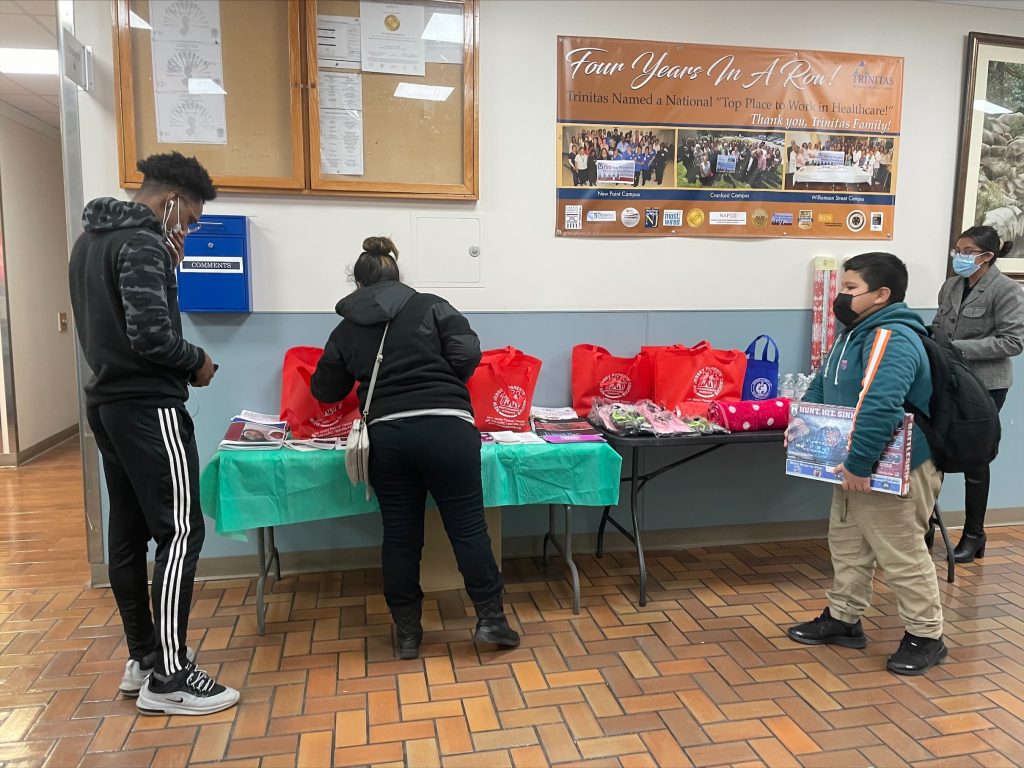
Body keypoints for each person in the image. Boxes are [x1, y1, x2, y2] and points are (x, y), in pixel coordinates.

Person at [67, 152, 240, 715]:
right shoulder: (142, 244)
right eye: (188, 219)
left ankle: (143, 658)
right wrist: (198, 363)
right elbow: (151, 337)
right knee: (181, 532)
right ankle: (171, 676)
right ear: (169, 202)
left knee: (128, 535)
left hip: (107, 406)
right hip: (149, 407)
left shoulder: (89, 242)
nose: (187, 231)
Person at [310, 237, 520, 660]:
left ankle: (408, 633)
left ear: (358, 281)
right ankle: (491, 619)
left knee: (401, 538)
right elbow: (468, 352)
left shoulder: (345, 327)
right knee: (468, 528)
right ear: (397, 273)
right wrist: (441, 385)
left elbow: (326, 389)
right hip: (448, 430)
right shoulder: (431, 306)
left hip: (388, 437)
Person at [786, 252, 947, 676]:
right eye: (841, 286)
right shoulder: (852, 333)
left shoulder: (892, 338)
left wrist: (859, 464)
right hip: (852, 464)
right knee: (848, 545)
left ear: (882, 294)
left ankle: (926, 636)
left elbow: (880, 407)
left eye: (851, 289)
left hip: (893, 467)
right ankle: (844, 619)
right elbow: (822, 384)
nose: (841, 296)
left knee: (901, 554)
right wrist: (804, 426)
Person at [934, 226, 1024, 562]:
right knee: (936, 451)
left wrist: (956, 348)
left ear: (987, 256)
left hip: (986, 385)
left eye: (967, 251)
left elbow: (1013, 343)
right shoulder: (951, 285)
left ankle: (974, 534)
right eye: (957, 250)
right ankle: (926, 525)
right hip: (948, 381)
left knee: (975, 456)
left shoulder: (1007, 290)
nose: (960, 257)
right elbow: (938, 327)